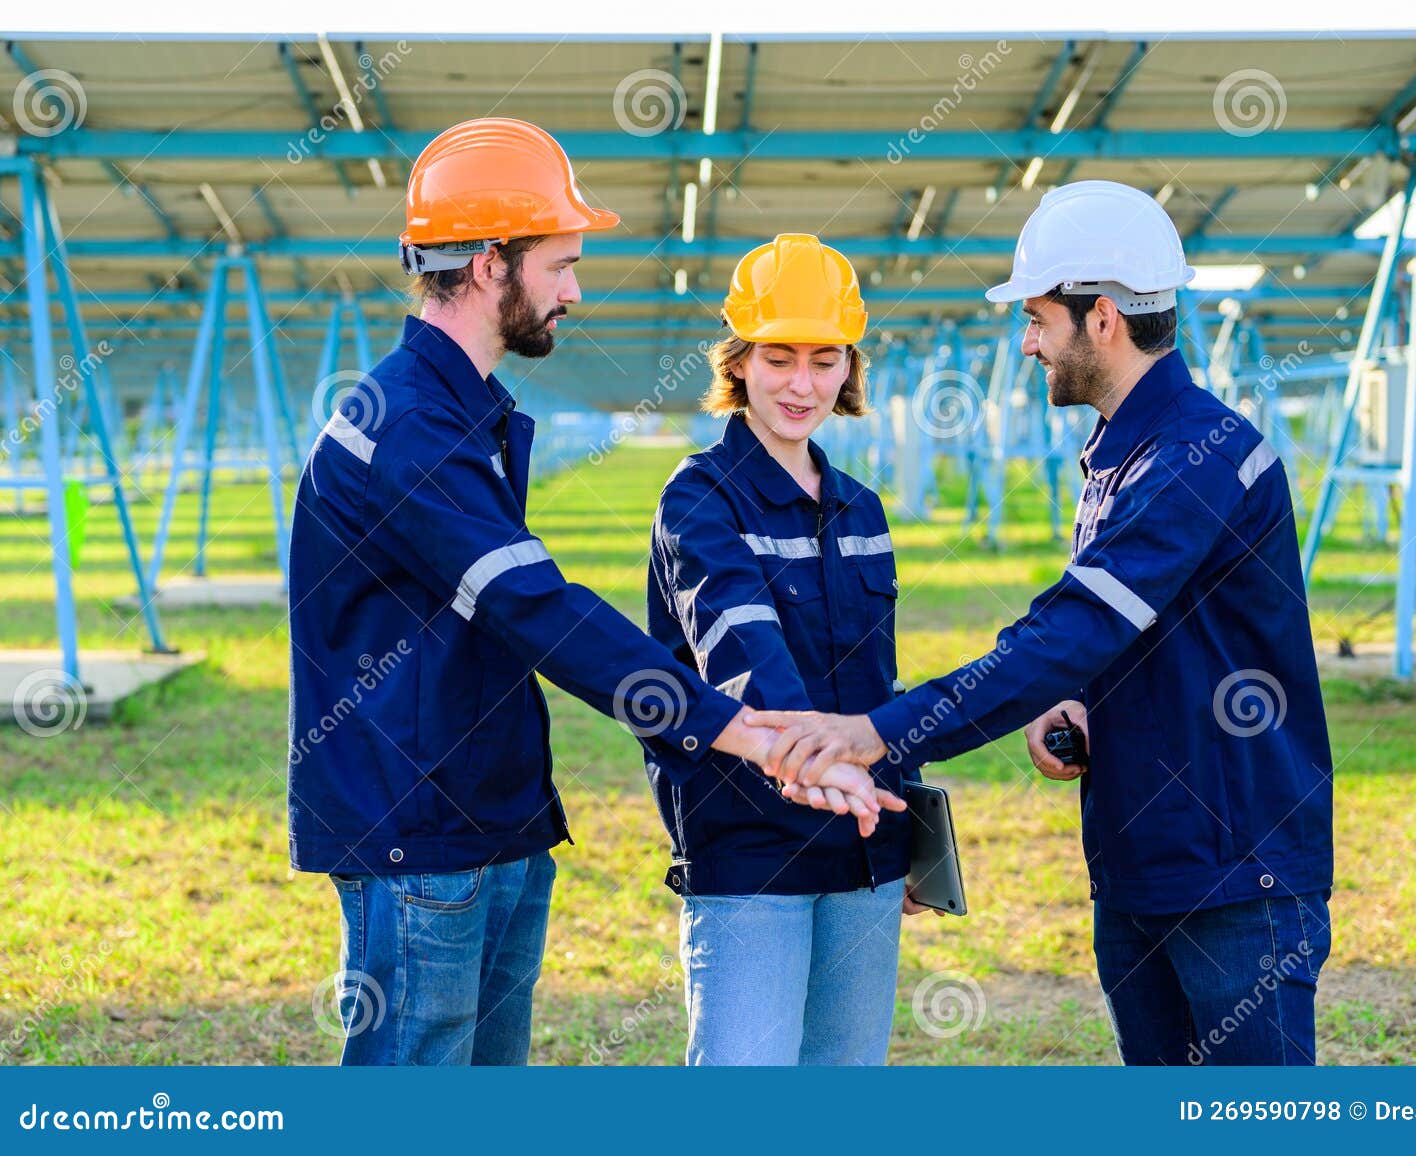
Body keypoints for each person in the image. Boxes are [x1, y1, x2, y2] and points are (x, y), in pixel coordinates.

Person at [286, 119, 900, 1067]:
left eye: (827, 359)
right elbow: (539, 609)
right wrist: (744, 730)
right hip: (417, 834)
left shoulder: (464, 413)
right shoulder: (408, 425)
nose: (574, 288)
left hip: (488, 823)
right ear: (492, 264)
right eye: (562, 262)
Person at [749, 181, 1334, 1066]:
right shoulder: (1123, 450)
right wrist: (1084, 709)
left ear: (1101, 318)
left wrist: (877, 732)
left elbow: (1073, 630)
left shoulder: (1196, 457)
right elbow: (1134, 636)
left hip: (1231, 876)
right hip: (1148, 857)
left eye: (1035, 319)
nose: (1025, 343)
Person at [646, 235, 933, 1066]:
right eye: (778, 358)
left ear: (849, 367)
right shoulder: (699, 496)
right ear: (740, 362)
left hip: (866, 848)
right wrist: (830, 769)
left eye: (824, 359)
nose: (801, 384)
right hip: (751, 850)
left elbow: (877, 681)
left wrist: (904, 823)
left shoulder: (861, 508)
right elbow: (742, 647)